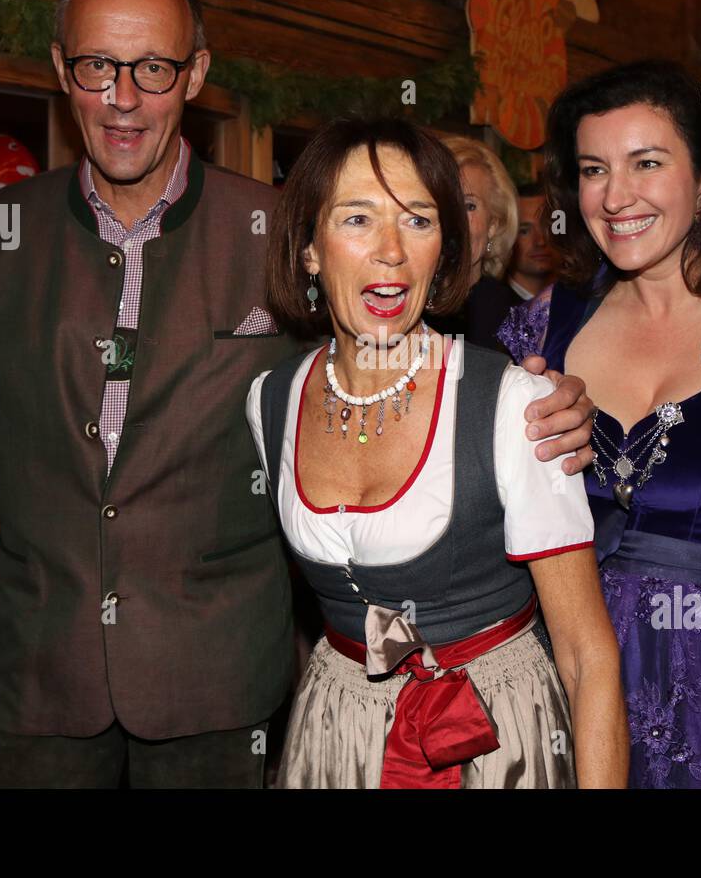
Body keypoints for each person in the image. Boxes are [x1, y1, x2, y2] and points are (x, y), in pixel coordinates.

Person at [0, 0, 595, 789]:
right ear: (61, 68)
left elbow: (380, 359)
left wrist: (525, 402)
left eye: (154, 67)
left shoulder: (276, 230)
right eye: (98, 66)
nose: (125, 97)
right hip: (42, 677)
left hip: (218, 685)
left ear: (194, 73)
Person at [246, 117, 628, 788]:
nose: (391, 251)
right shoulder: (270, 399)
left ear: (447, 250)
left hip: (493, 737)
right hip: (336, 734)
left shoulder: (517, 406)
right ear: (309, 247)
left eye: (418, 222)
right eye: (358, 219)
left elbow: (586, 654)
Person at [498, 60, 701, 788]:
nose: (616, 197)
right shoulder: (536, 330)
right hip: (564, 678)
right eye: (594, 169)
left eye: (646, 163)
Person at [437, 134, 523, 352]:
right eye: (442, 202)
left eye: (469, 206)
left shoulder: (516, 322)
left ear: (492, 225)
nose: (453, 218)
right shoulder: (394, 307)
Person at [506, 185, 560, 300]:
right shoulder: (492, 309)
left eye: (547, 227)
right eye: (524, 231)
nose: (540, 241)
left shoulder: (579, 303)